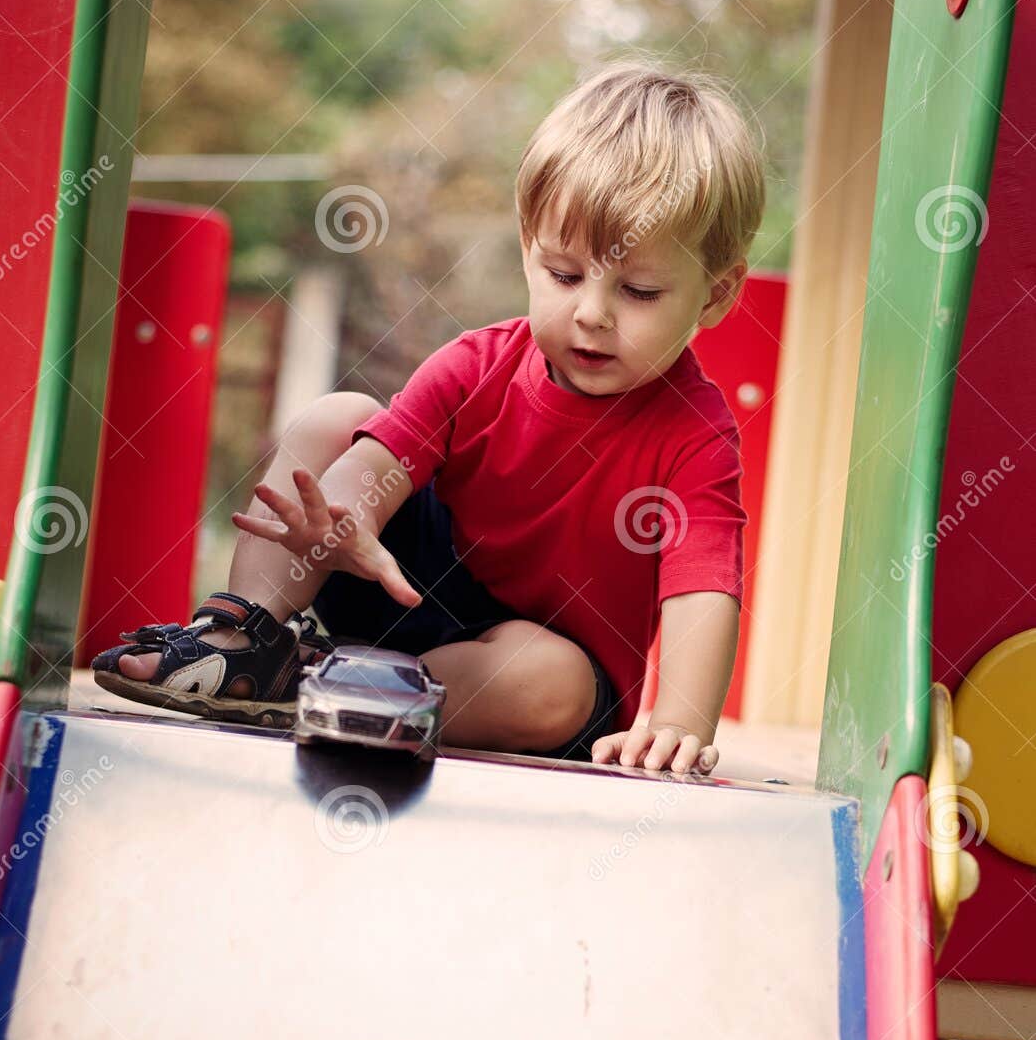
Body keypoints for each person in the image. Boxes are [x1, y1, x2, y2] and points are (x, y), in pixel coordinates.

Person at [93, 58, 765, 772]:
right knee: (338, 415)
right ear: (528, 247)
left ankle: (324, 689)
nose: (591, 313)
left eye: (637, 291)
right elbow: (375, 461)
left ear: (715, 295)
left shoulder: (694, 435)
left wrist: (680, 726)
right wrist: (345, 518)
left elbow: (702, 591)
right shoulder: (475, 366)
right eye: (563, 275)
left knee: (551, 682)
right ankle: (242, 638)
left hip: (526, 673)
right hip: (396, 589)